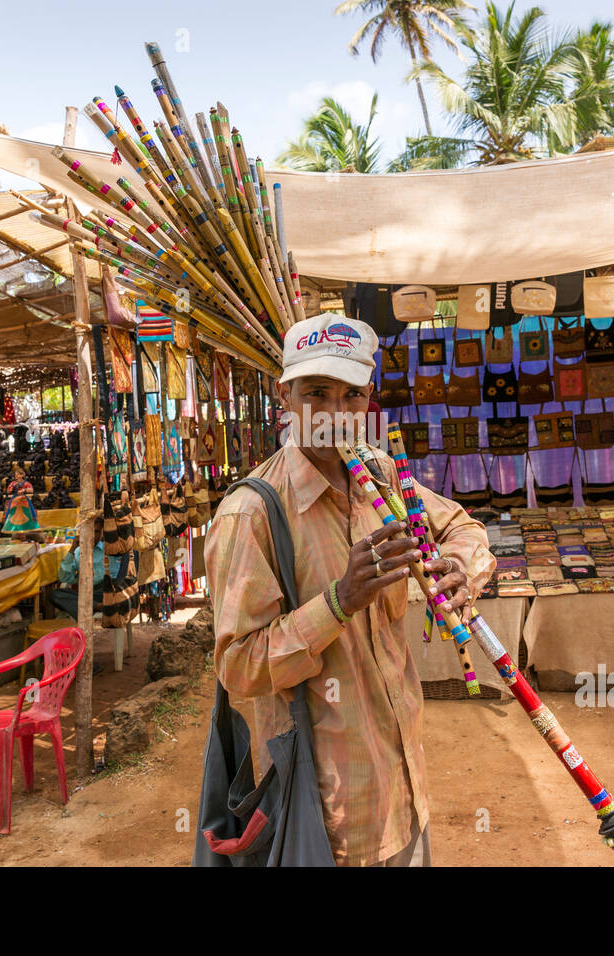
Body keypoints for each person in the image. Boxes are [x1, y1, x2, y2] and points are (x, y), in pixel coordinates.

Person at [205, 314, 495, 867]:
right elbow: (238, 666)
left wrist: (459, 568)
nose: (335, 415)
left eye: (352, 396)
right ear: (284, 395)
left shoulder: (379, 475)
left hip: (405, 782)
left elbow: (461, 525)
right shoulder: (252, 514)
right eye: (317, 393)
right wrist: (338, 602)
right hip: (327, 812)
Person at [52, 518, 123, 620]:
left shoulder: (109, 548)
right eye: (89, 531)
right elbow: (64, 578)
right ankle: (96, 606)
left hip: (108, 591)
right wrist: (72, 548)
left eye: (97, 531)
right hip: (87, 594)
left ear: (102, 532)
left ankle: (89, 609)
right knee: (55, 594)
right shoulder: (77, 552)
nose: (93, 535)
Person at [1, 466, 39, 532]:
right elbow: (8, 491)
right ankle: (13, 527)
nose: (16, 475)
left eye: (17, 474)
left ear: (22, 475)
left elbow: (31, 490)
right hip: (15, 499)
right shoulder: (13, 483)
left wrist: (24, 490)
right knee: (11, 512)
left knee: (27, 512)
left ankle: (28, 527)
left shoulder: (26, 483)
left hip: (23, 499)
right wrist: (10, 489)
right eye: (15, 474)